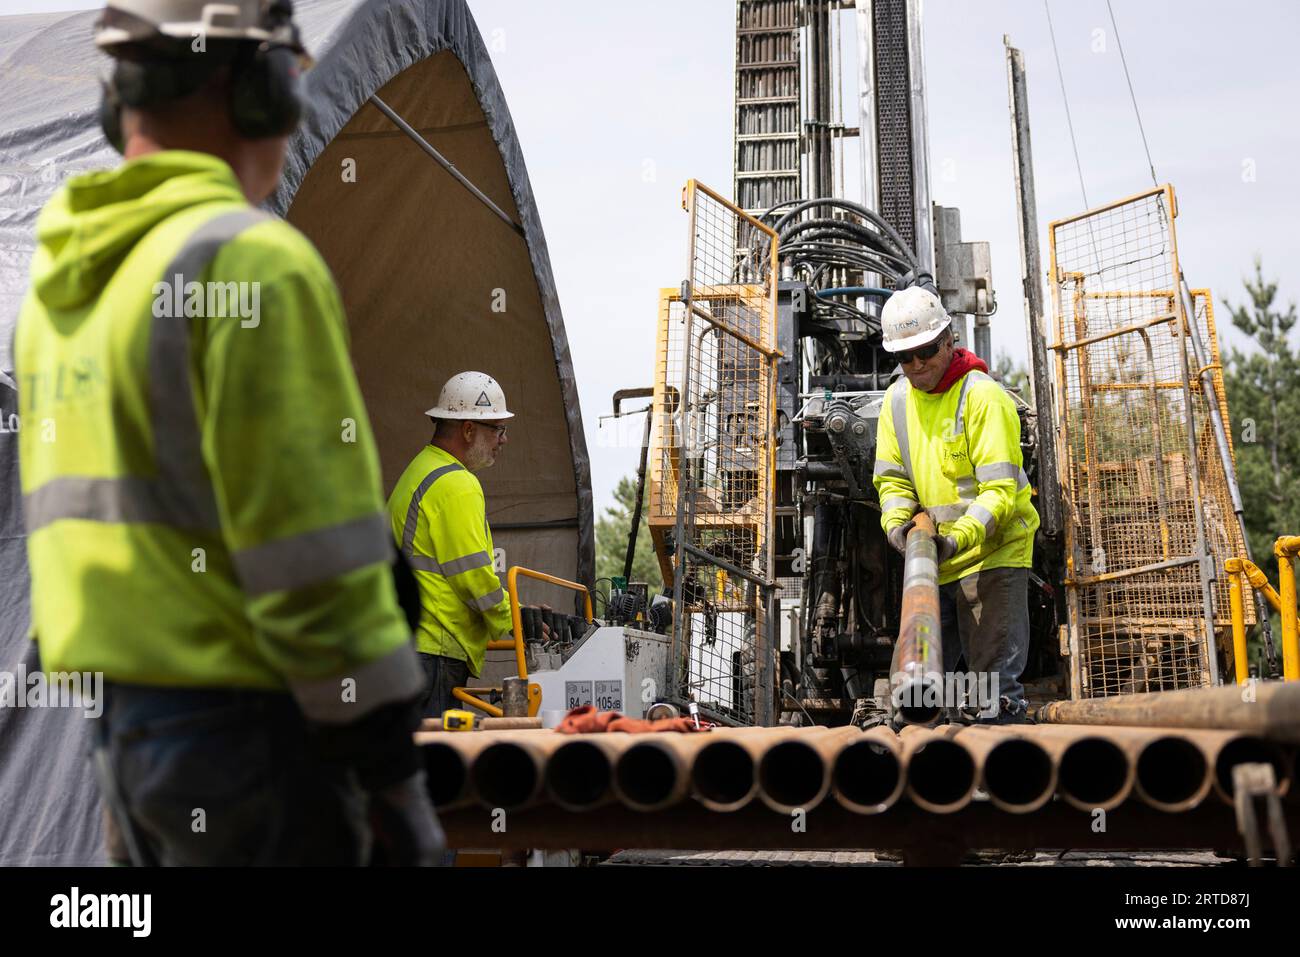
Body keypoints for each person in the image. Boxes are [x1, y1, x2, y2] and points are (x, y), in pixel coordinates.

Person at [15, 0, 442, 865]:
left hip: (126, 743)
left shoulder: (61, 288)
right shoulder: (250, 262)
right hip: (254, 741)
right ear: (257, 91)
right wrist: (394, 777)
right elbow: (315, 564)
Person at [872, 287, 1039, 723]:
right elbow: (891, 480)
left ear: (949, 339)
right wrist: (897, 526)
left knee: (991, 692)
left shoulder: (982, 396)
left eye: (926, 351)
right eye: (904, 357)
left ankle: (997, 778)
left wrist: (952, 540)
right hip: (933, 564)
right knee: (911, 696)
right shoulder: (896, 401)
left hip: (992, 556)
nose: (916, 364)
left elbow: (999, 493)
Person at [388, 372, 515, 719]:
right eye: (497, 429)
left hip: (408, 648)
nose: (502, 440)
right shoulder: (457, 484)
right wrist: (515, 619)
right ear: (468, 429)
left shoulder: (419, 470)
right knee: (440, 762)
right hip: (434, 652)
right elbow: (473, 579)